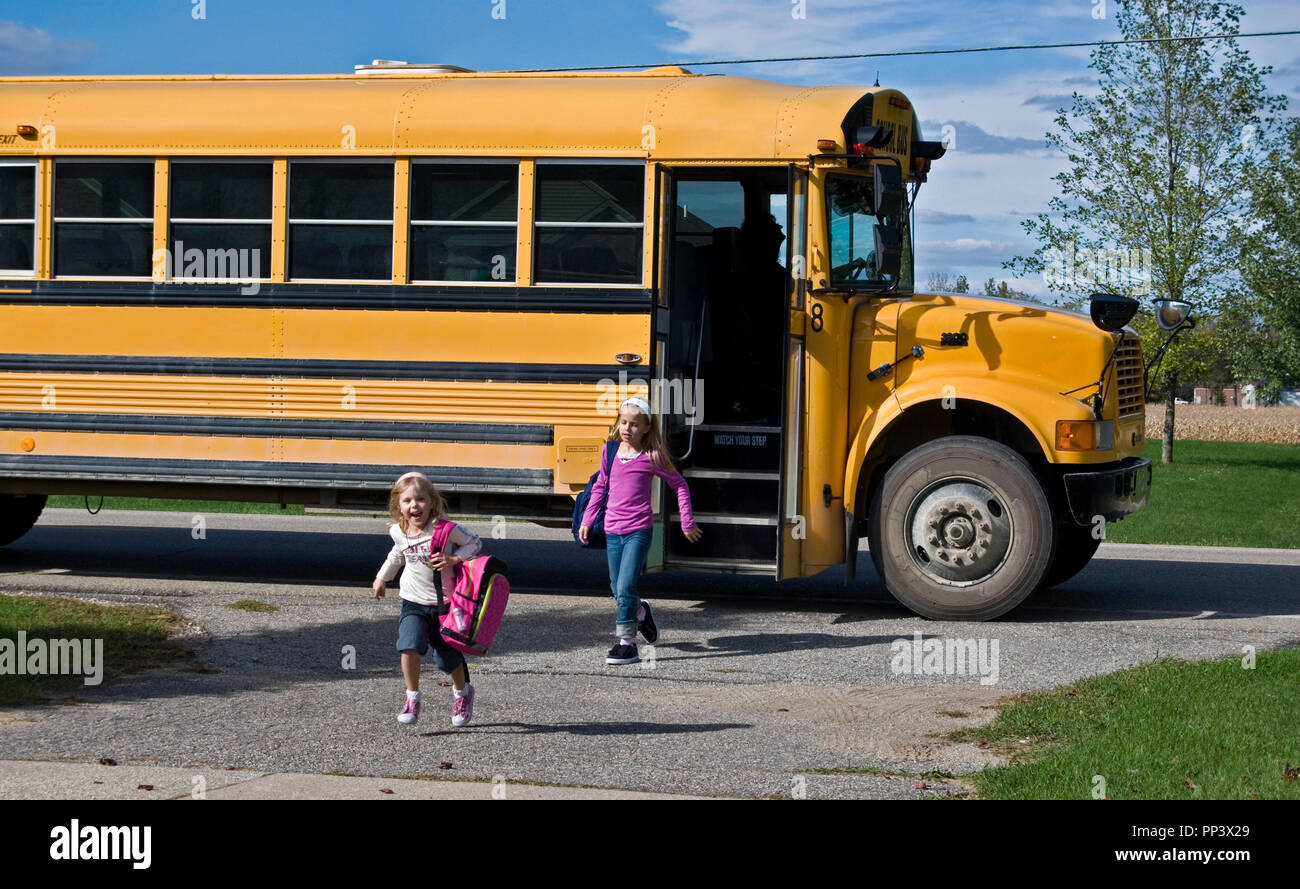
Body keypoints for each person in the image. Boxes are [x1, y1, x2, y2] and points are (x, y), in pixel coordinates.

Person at [578, 397, 703, 665]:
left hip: (638, 531)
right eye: (623, 422)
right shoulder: (610, 452)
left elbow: (679, 485)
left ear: (646, 428)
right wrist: (587, 519)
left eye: (634, 424)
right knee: (617, 587)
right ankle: (641, 613)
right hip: (612, 530)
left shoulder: (652, 456)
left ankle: (626, 643)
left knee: (625, 586)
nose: (627, 428)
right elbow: (600, 487)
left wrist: (687, 521)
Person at [372, 471, 482, 727]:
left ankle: (462, 692)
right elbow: (396, 556)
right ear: (398, 505)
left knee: (446, 659)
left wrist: (454, 558)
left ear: (432, 502)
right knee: (408, 645)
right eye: (407, 501)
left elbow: (475, 543)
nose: (414, 506)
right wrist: (381, 579)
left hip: (445, 605)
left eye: (420, 499)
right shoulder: (399, 532)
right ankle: (412, 698)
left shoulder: (446, 530)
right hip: (412, 601)